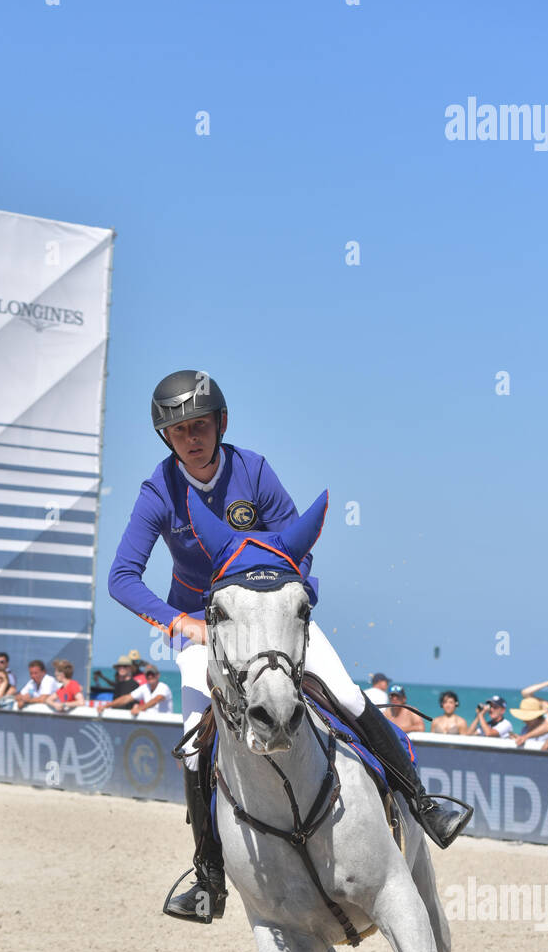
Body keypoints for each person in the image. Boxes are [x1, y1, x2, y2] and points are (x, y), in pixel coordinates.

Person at [107, 369, 471, 921]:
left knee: (346, 694)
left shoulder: (254, 470)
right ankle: (209, 873)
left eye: (200, 426)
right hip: (206, 627)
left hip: (273, 616)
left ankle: (421, 803)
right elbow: (122, 577)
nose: (192, 439)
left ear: (220, 423)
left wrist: (287, 599)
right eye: (179, 432)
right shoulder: (160, 491)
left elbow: (299, 552)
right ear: (167, 439)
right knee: (191, 737)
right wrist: (180, 623)